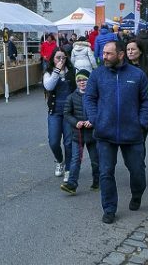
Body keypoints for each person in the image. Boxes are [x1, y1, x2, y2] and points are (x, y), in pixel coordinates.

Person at [84, 41, 148, 224]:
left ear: (121, 55)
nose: (103, 56)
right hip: (105, 133)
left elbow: (147, 101)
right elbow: (89, 98)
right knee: (106, 172)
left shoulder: (137, 75)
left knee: (137, 170)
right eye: (103, 53)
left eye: (108, 54)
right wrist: (96, 119)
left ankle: (137, 194)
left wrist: (142, 124)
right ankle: (109, 209)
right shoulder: (97, 75)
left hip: (132, 133)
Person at [60, 69, 99, 194]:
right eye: (79, 80)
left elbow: (101, 111)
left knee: (95, 160)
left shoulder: (95, 96)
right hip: (78, 135)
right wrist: (75, 122)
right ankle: (72, 184)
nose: (82, 82)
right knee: (76, 159)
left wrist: (92, 121)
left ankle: (97, 181)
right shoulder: (71, 97)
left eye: (84, 80)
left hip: (93, 134)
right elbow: (67, 113)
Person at [44, 48, 76, 180]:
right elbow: (49, 86)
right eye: (58, 57)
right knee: (53, 142)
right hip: (55, 112)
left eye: (63, 57)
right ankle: (59, 160)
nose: (61, 60)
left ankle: (68, 169)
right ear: (53, 59)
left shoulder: (72, 72)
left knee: (68, 142)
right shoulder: (49, 73)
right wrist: (57, 70)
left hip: (69, 113)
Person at [125, 39, 148, 147]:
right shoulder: (123, 67)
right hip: (127, 109)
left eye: (133, 49)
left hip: (143, 108)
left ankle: (139, 163)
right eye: (128, 49)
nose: (130, 52)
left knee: (140, 141)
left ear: (140, 51)